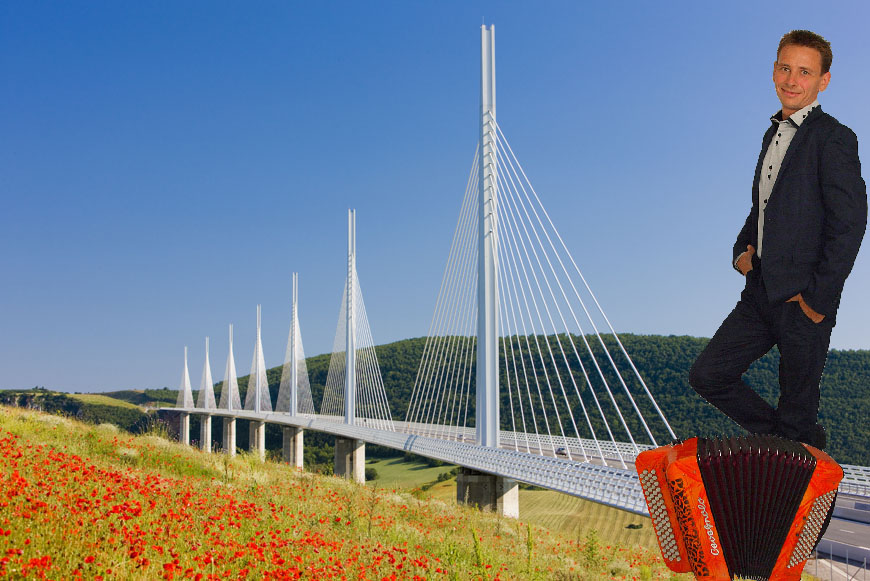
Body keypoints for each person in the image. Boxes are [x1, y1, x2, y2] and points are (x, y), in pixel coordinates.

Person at [689, 30, 866, 450]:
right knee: (708, 375)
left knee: (796, 409)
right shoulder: (772, 134)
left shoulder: (834, 137)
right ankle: (795, 441)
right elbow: (764, 207)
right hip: (760, 291)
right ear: (773, 71)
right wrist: (741, 251)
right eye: (785, 68)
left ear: (823, 81)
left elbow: (850, 223)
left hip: (803, 300)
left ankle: (797, 450)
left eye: (804, 72)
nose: (791, 80)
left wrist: (817, 300)